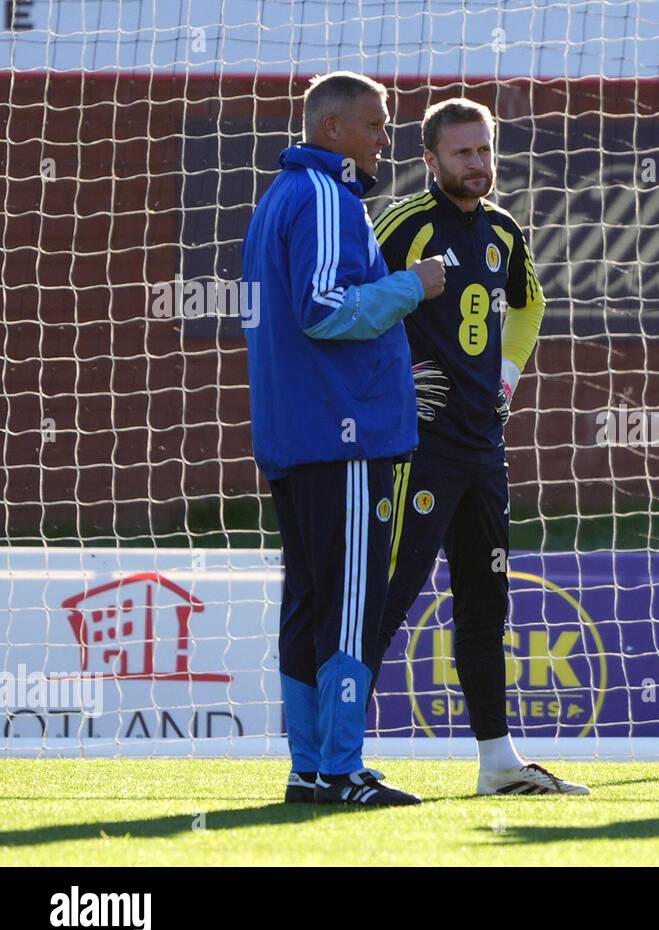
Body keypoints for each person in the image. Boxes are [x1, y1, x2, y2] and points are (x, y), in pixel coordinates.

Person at [372, 98, 588, 796]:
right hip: (416, 449)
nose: (478, 165)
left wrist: (509, 372)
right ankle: (329, 756)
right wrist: (393, 378)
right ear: (430, 160)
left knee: (485, 608)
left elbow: (530, 305)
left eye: (485, 150)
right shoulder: (403, 226)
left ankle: (498, 764)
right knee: (388, 596)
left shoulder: (503, 229)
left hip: (482, 449)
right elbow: (349, 309)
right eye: (463, 153)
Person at [242, 71, 446, 806]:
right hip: (344, 434)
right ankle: (340, 767)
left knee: (308, 602)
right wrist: (411, 285)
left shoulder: (279, 199)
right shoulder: (327, 195)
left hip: (298, 435)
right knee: (350, 605)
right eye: (375, 125)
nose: (385, 139)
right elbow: (325, 309)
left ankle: (308, 767)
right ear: (332, 130)